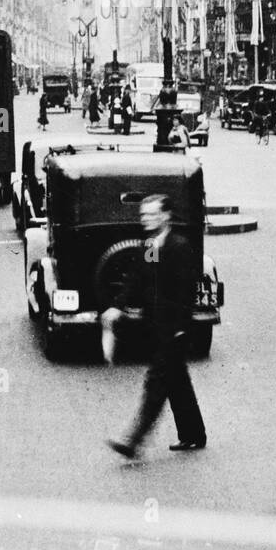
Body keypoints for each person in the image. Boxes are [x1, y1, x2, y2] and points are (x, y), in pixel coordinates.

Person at [108, 194, 206, 459]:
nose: (145, 219)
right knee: (177, 383)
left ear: (165, 216)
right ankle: (193, 434)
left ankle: (133, 441)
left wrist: (181, 328)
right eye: (144, 214)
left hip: (175, 329)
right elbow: (139, 278)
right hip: (156, 326)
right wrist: (118, 305)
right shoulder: (151, 244)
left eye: (151, 214)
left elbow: (186, 292)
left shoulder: (179, 246)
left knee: (157, 382)